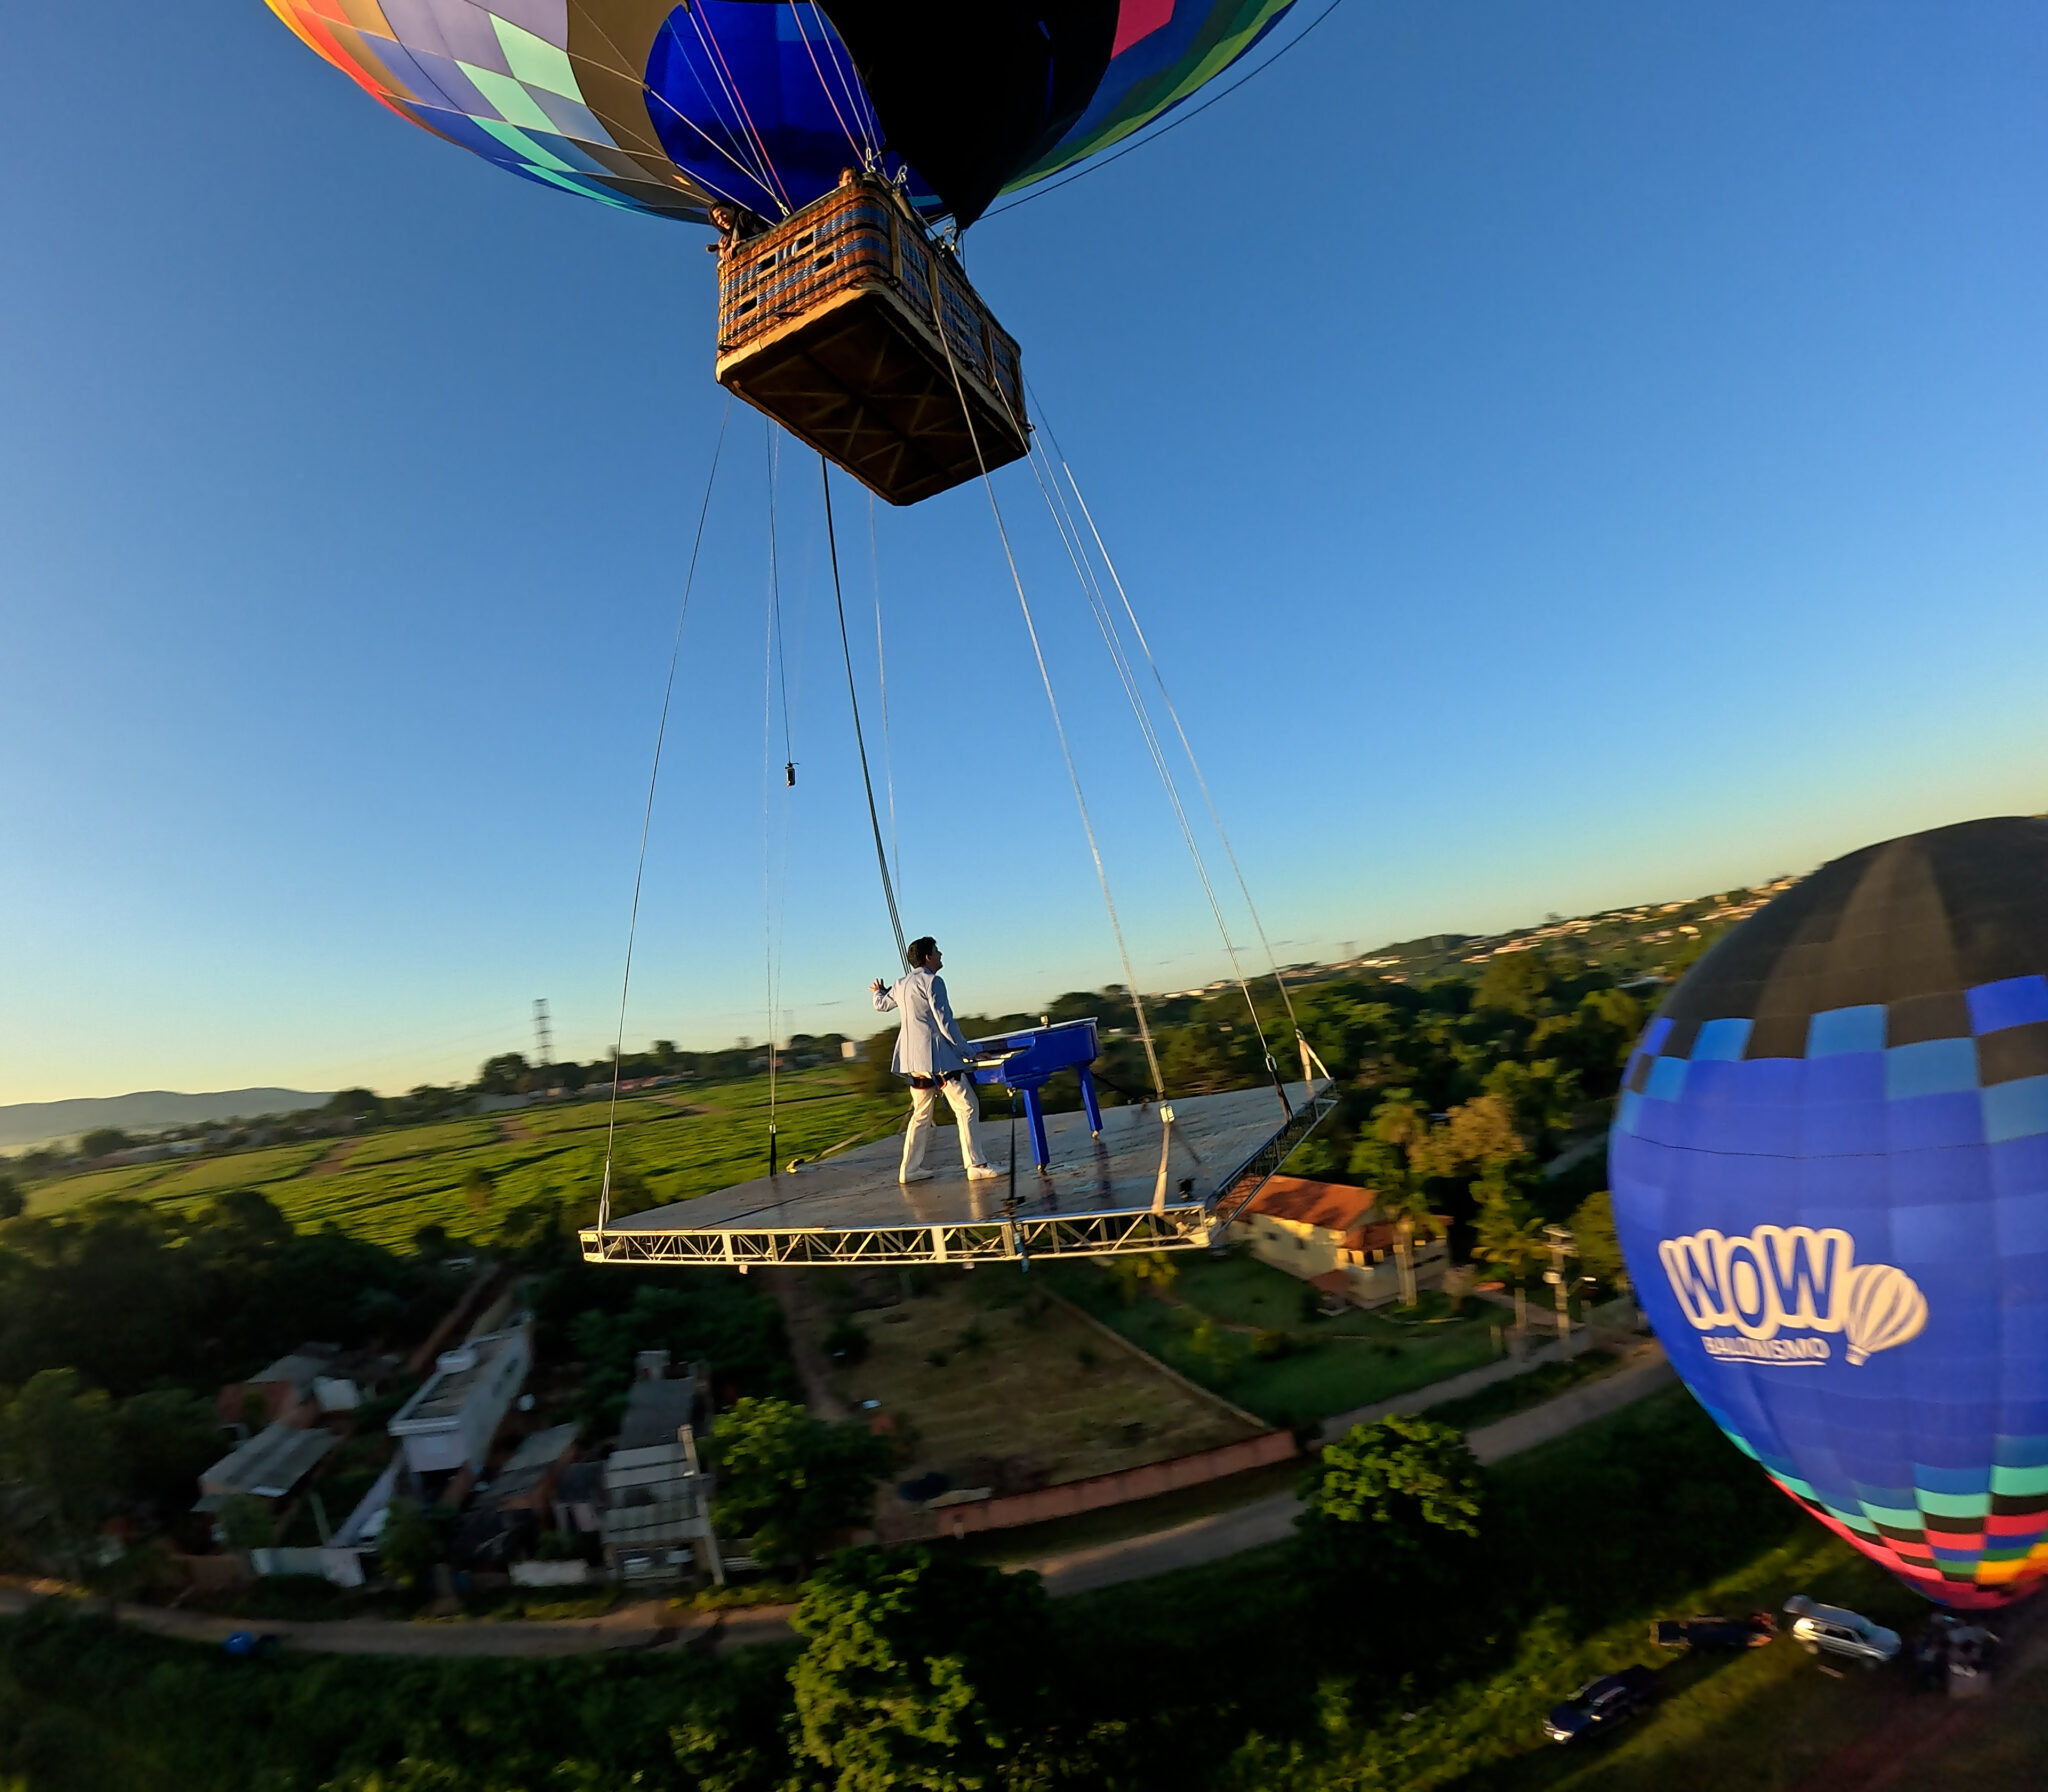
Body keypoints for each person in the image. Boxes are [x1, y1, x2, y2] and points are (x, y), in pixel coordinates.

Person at [871, 937, 1002, 1184]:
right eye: (937, 951)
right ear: (928, 957)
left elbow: (881, 1005)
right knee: (967, 1106)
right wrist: (969, 1052)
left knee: (920, 1115)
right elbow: (946, 1023)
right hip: (935, 1058)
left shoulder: (900, 984)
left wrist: (878, 991)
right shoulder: (933, 982)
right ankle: (976, 1164)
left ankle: (909, 1170)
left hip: (911, 1062)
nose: (941, 954)